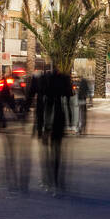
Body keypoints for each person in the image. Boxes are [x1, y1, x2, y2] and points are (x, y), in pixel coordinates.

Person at [41, 67, 74, 195]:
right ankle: (56, 179)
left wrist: (44, 126)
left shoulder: (49, 82)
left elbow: (46, 105)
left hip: (53, 120)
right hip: (58, 119)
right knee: (57, 151)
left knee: (53, 151)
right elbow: (68, 102)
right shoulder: (62, 81)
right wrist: (70, 120)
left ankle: (52, 179)